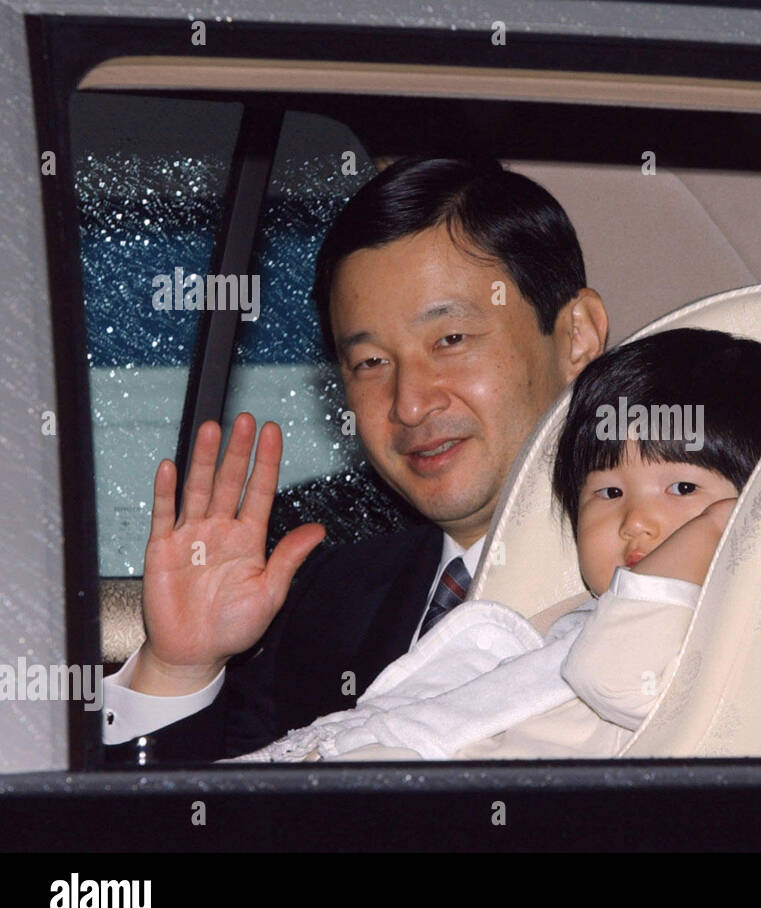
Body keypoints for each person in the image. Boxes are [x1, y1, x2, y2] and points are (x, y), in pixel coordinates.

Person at [102, 156, 610, 763]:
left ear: (577, 335)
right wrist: (180, 670)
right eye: (371, 363)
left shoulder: (656, 578)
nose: (410, 404)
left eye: (450, 340)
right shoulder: (325, 599)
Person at [228, 329, 761, 761]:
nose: (636, 521)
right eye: (606, 491)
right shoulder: (563, 622)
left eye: (682, 487)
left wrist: (716, 531)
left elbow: (616, 677)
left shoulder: (721, 637)